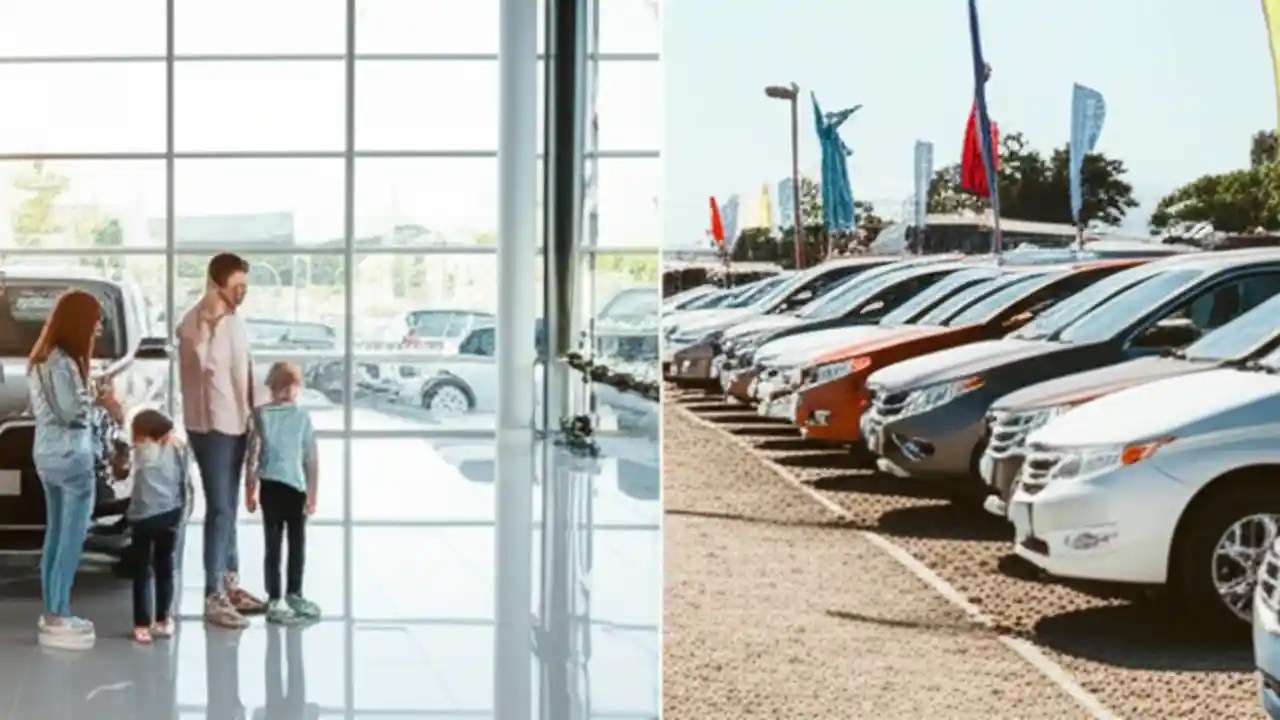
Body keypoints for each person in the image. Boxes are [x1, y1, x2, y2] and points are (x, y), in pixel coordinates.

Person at [28, 289, 124, 650]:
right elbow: (71, 412)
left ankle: (52, 610)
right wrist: (100, 401)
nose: (98, 328)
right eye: (95, 320)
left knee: (55, 534)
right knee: (71, 537)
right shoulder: (63, 362)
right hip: (72, 457)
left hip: (46, 454)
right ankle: (60, 614)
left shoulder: (41, 359)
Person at [178, 253, 266, 628]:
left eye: (245, 286)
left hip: (236, 424)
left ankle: (229, 583)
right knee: (219, 509)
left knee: (228, 507)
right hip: (209, 428)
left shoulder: (234, 323)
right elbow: (203, 370)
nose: (242, 292)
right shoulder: (192, 325)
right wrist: (209, 324)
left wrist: (255, 419)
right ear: (216, 285)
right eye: (236, 286)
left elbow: (244, 374)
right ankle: (214, 596)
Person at [245, 362, 321, 625]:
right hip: (276, 486)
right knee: (276, 545)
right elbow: (253, 456)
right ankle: (277, 595)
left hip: (292, 488)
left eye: (292, 387)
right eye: (283, 387)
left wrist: (312, 493)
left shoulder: (299, 417)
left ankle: (292, 593)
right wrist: (250, 489)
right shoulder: (263, 416)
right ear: (272, 388)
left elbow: (310, 458)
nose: (288, 392)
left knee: (293, 545)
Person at [127, 408, 191, 644]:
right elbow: (185, 482)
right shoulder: (177, 450)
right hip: (170, 516)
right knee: (165, 568)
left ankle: (141, 625)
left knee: (142, 572)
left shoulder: (139, 453)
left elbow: (128, 481)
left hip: (143, 519)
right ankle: (163, 619)